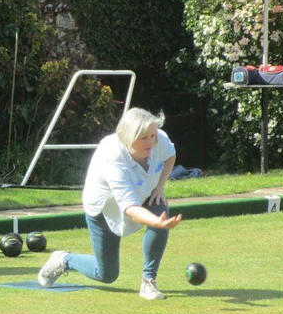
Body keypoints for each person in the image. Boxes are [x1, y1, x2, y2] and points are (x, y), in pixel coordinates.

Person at [38, 107, 182, 300]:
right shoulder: (112, 158)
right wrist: (156, 223)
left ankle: (148, 281)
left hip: (144, 194)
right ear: (129, 138)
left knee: (160, 210)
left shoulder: (158, 138)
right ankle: (64, 260)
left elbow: (170, 156)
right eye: (144, 138)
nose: (151, 142)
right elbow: (130, 208)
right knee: (106, 274)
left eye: (152, 136)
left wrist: (159, 187)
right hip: (104, 208)